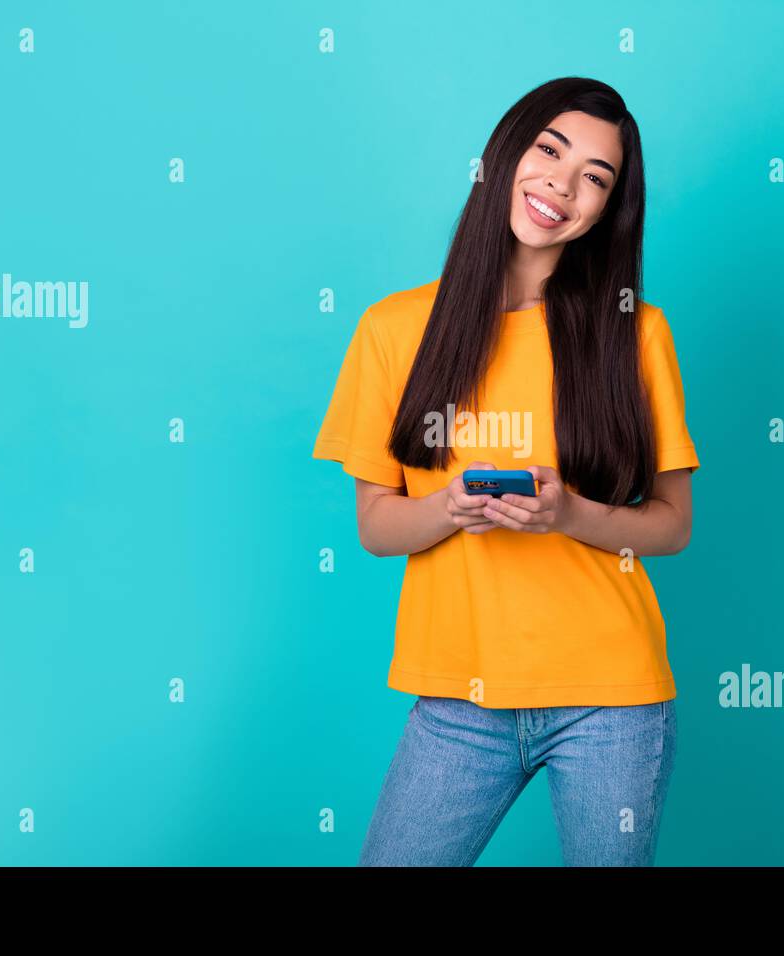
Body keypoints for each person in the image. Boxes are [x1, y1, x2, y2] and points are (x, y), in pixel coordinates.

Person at [311, 77, 701, 866]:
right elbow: (378, 526)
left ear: (608, 210)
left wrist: (568, 517)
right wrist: (453, 507)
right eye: (549, 150)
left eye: (596, 176)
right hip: (459, 700)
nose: (562, 184)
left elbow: (672, 524)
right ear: (504, 156)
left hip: (612, 698)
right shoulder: (394, 330)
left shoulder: (637, 334)